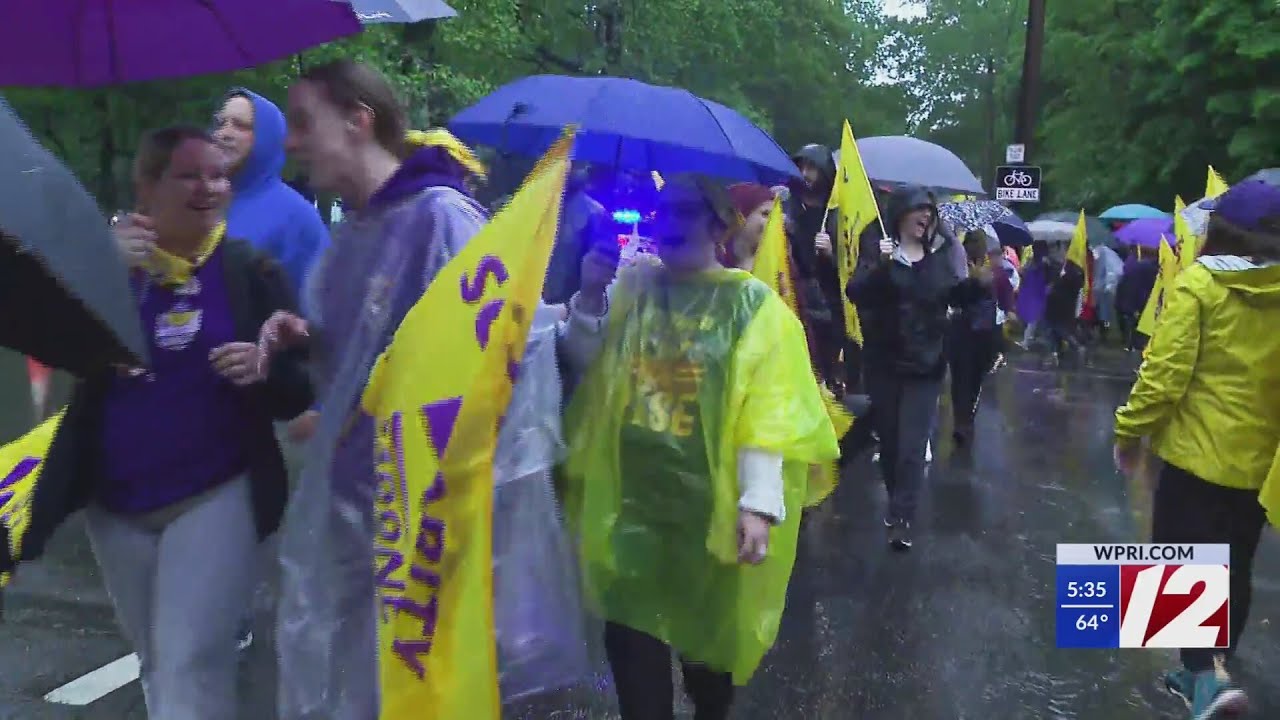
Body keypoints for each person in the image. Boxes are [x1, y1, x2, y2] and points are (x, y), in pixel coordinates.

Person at [12, 125, 312, 719]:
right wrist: (97, 270)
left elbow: (297, 390)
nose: (209, 187)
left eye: (219, 174)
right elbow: (41, 365)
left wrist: (263, 365)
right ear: (147, 187)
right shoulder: (99, 264)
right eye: (189, 174)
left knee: (191, 660)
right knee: (157, 660)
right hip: (115, 503)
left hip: (215, 491)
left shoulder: (250, 270)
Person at [559, 175, 838, 720]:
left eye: (685, 212)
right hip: (634, 509)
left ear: (719, 225)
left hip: (708, 514)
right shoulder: (635, 289)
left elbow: (770, 408)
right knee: (636, 662)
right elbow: (588, 366)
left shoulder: (755, 308)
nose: (669, 225)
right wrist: (591, 292)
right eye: (662, 213)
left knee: (709, 667)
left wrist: (758, 502)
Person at [1112, 180, 1280, 720]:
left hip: (1192, 458)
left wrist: (1129, 433)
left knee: (1177, 566)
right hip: (1259, 465)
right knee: (1235, 565)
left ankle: (1206, 682)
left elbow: (1163, 376)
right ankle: (1207, 666)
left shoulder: (1200, 285)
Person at [846, 185, 986, 549]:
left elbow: (950, 294)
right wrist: (882, 266)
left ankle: (901, 517)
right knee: (891, 445)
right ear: (901, 214)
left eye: (930, 210)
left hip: (926, 364)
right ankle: (896, 501)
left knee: (912, 446)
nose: (926, 216)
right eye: (919, 209)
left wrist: (977, 288)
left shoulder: (938, 255)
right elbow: (856, 292)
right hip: (884, 363)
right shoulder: (879, 249)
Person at [213, 89, 329, 295]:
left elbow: (320, 307)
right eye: (221, 123)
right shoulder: (199, 203)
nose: (224, 134)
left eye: (240, 126)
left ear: (266, 136)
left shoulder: (297, 217)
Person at [948, 227, 1013, 446]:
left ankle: (961, 422)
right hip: (985, 333)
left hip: (960, 332)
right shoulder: (995, 272)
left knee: (960, 381)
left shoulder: (957, 270)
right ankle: (967, 422)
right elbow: (1004, 301)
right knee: (975, 380)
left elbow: (953, 299)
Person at [784, 145, 841, 389]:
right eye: (801, 167)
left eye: (812, 168)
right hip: (794, 292)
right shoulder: (787, 205)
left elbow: (853, 262)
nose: (805, 174)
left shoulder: (838, 211)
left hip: (829, 299)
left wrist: (831, 253)